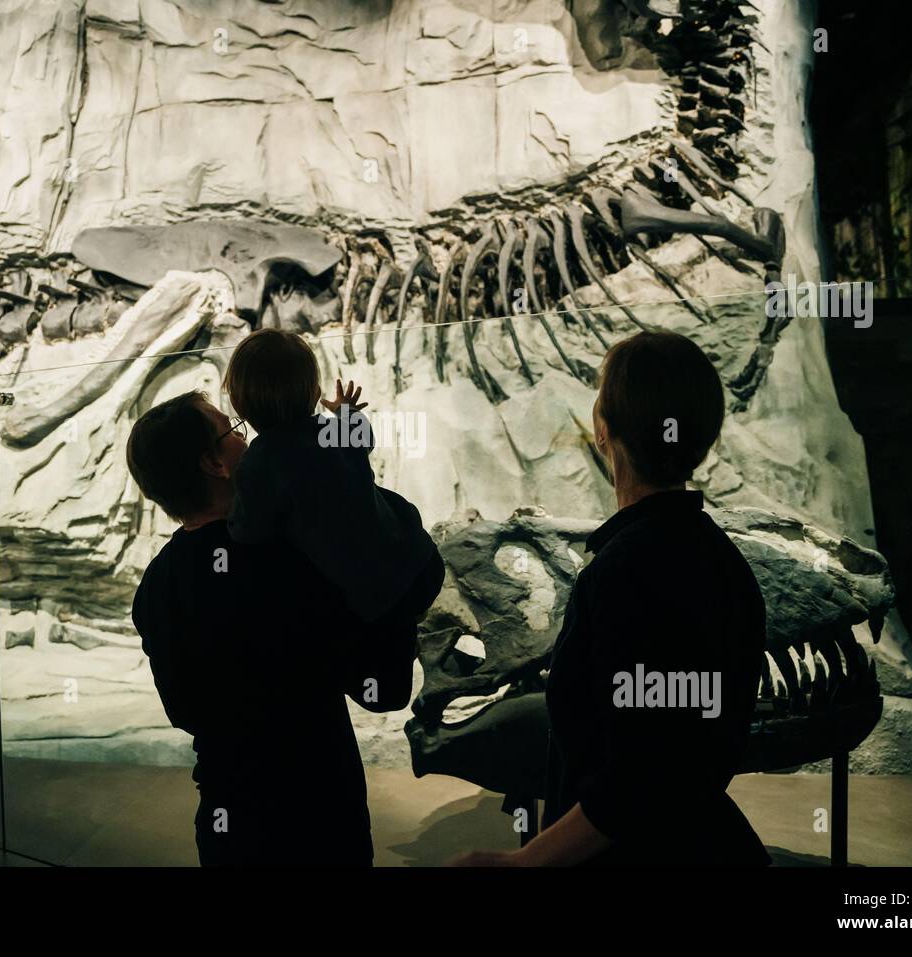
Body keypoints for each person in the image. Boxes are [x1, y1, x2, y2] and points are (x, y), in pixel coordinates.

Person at [451, 330, 770, 867]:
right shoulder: (716, 557)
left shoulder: (632, 571)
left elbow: (643, 774)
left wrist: (523, 863)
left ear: (603, 429)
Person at [127, 390, 432, 866]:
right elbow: (382, 691)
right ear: (214, 463)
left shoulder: (157, 585)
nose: (248, 440)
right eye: (233, 431)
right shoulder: (294, 559)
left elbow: (185, 710)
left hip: (231, 814)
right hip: (319, 814)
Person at [222, 328, 443, 625]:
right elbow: (364, 438)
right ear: (315, 393)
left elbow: (249, 530)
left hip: (377, 593)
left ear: (237, 404)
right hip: (419, 557)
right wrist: (347, 413)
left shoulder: (259, 462)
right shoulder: (330, 432)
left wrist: (230, 517)